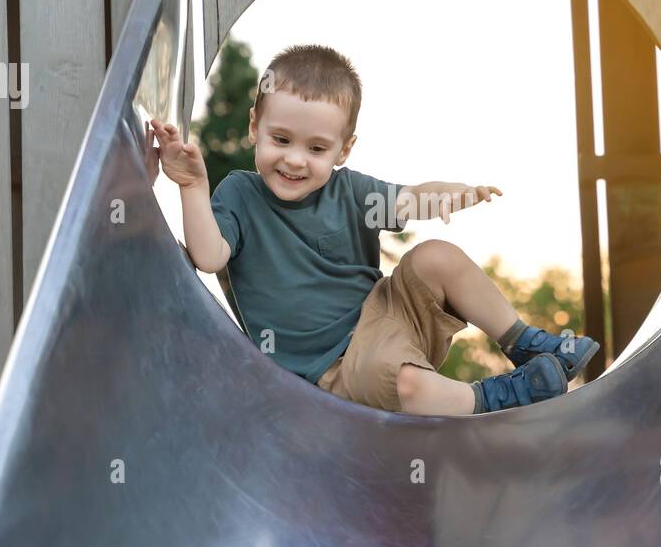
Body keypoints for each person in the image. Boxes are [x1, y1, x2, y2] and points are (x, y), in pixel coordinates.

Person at [149, 44, 599, 414]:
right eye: (280, 139)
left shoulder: (350, 191)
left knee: (436, 255)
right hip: (336, 368)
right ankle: (497, 398)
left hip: (384, 312)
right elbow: (208, 257)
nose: (294, 159)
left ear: (343, 150)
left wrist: (451, 194)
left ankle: (524, 342)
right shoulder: (239, 195)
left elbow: (409, 199)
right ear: (255, 126)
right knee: (405, 383)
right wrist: (193, 185)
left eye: (317, 147)